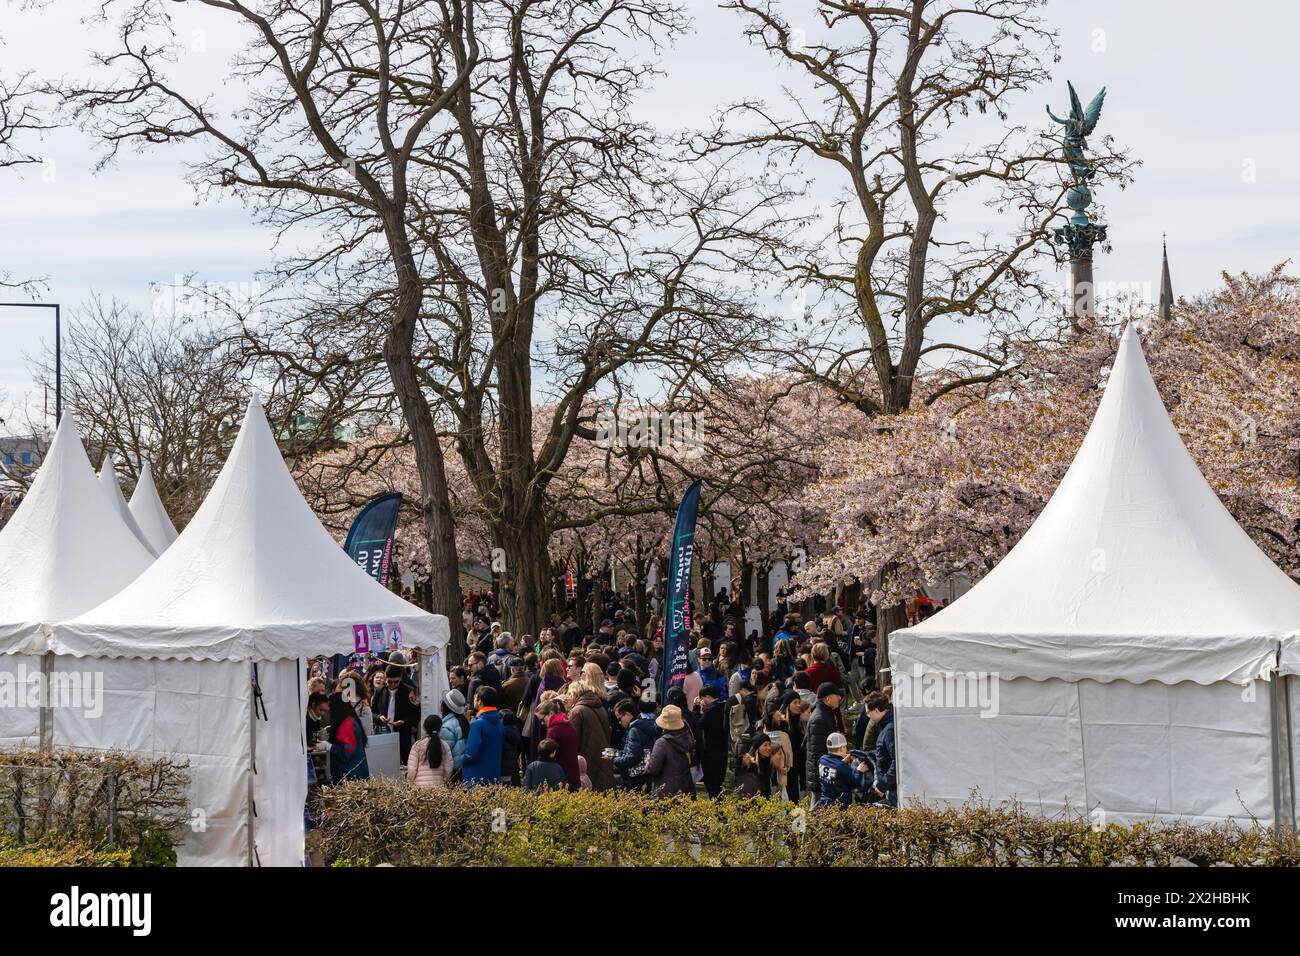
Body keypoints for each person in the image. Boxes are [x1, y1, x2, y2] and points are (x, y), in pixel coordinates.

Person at [568, 667, 615, 791]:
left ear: (575, 694)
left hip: (586, 761)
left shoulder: (576, 711)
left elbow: (573, 741)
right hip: (603, 758)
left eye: (570, 694)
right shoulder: (599, 706)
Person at [372, 665, 420, 764]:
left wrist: (404, 721)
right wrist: (379, 717)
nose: (393, 684)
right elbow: (372, 713)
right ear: (385, 678)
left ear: (400, 679)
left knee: (404, 762)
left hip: (402, 734)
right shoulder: (379, 691)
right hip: (383, 734)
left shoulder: (409, 691)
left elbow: (416, 714)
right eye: (390, 681)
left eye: (396, 682)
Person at [645, 704, 695, 797]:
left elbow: (653, 769)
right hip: (685, 789)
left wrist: (647, 762)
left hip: (665, 790)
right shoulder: (687, 737)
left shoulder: (662, 743)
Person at [328, 672, 370, 783]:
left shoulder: (348, 724)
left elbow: (347, 752)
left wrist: (328, 746)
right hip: (357, 774)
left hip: (351, 776)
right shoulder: (350, 720)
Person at [461, 686, 504, 789]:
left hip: (475, 775)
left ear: (480, 701)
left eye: (475, 697)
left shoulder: (477, 724)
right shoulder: (500, 723)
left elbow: (471, 753)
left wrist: (462, 761)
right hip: (493, 773)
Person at [804, 683, 843, 797]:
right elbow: (817, 752)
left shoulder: (826, 714)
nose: (840, 698)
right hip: (821, 776)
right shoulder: (819, 718)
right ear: (828, 699)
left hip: (825, 772)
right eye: (837, 695)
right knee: (817, 808)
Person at [611, 699, 659, 790]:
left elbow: (632, 757)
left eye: (619, 718)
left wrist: (613, 758)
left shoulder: (634, 730)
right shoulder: (644, 725)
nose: (619, 722)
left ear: (628, 715)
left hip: (635, 779)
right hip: (645, 776)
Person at [815, 732, 870, 807]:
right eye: (845, 747)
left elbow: (833, 768)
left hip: (825, 801)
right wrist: (859, 770)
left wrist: (842, 762)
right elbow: (856, 783)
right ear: (841, 748)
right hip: (839, 806)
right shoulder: (841, 766)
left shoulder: (822, 759)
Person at [693, 684, 728, 798]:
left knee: (712, 786)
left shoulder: (711, 711)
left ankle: (716, 811)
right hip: (722, 751)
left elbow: (698, 724)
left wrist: (696, 708)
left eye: (702, 698)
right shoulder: (723, 707)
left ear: (707, 697)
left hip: (711, 754)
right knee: (718, 786)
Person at [541, 697, 581, 790]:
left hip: (559, 775)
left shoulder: (553, 730)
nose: (542, 723)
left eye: (542, 719)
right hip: (572, 773)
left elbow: (549, 755)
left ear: (551, 713)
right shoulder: (568, 724)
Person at [406, 715, 454, 789]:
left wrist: (410, 783)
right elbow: (448, 768)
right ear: (440, 728)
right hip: (439, 788)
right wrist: (444, 781)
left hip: (420, 788)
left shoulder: (417, 745)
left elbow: (412, 769)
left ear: (425, 728)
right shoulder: (444, 745)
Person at [866, 692, 897, 806]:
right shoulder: (886, 725)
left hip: (892, 788)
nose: (868, 715)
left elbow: (897, 761)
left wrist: (882, 786)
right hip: (890, 786)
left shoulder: (889, 729)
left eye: (868, 712)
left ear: (876, 710)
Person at [732, 733, 783, 798]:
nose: (769, 748)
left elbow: (766, 788)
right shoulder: (749, 763)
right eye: (765, 745)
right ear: (757, 747)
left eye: (769, 744)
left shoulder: (766, 761)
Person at [439, 689, 469, 773]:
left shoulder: (446, 726)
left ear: (445, 706)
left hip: (452, 769)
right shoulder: (464, 721)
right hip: (463, 766)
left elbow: (444, 751)